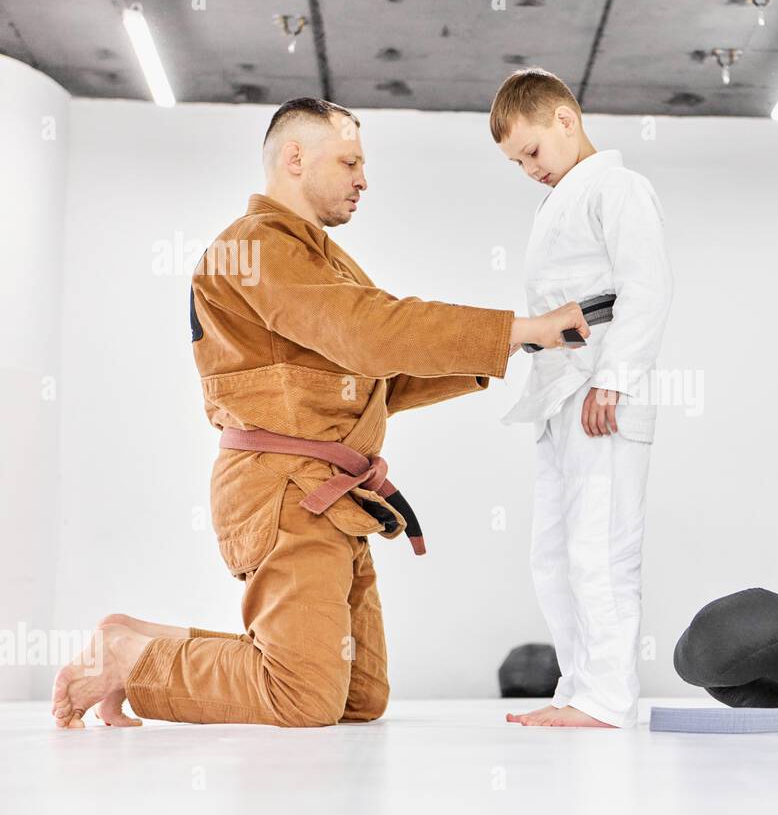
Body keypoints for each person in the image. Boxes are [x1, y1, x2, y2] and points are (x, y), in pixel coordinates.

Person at [51, 97, 589, 729]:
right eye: (351, 161)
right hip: (282, 491)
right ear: (295, 157)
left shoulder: (318, 258)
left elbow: (377, 372)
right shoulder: (252, 247)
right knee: (301, 697)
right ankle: (128, 660)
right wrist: (516, 327)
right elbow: (369, 332)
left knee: (359, 700)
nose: (364, 179)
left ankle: (136, 639)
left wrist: (517, 343)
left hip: (331, 498)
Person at [491, 69, 673, 728]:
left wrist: (617, 376)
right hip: (557, 389)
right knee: (552, 551)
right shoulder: (559, 200)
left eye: (532, 152)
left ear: (566, 119)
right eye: (516, 163)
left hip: (603, 386)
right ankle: (576, 686)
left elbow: (647, 287)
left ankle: (608, 696)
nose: (529, 170)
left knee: (601, 546)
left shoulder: (620, 187)